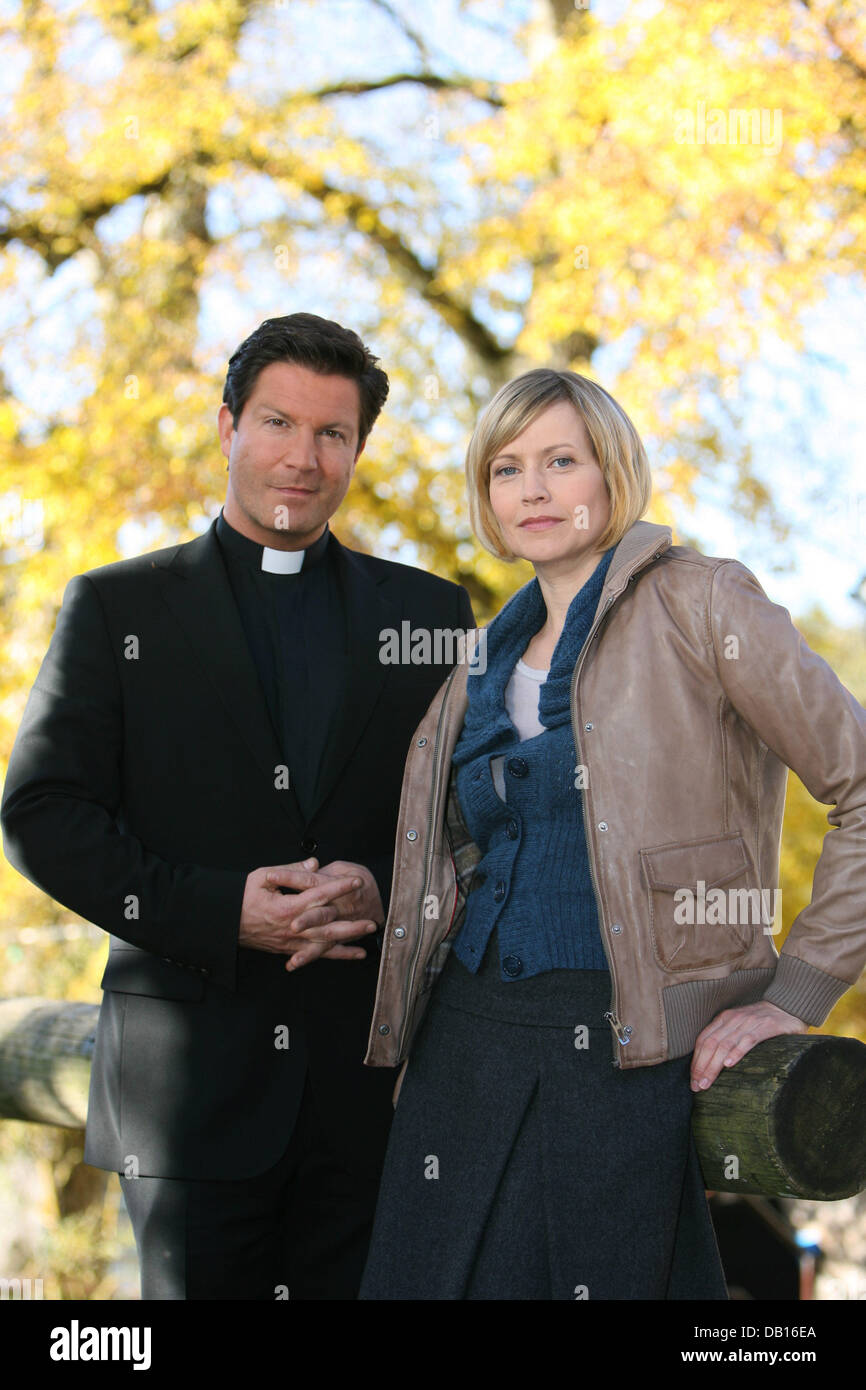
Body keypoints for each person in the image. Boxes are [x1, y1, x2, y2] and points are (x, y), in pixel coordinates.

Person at [358, 366, 866, 1301]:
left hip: (624, 1038)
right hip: (461, 1044)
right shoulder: (480, 658)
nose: (535, 490)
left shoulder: (703, 601)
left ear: (613, 473)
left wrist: (797, 994)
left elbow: (861, 786)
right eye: (506, 470)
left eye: (562, 460)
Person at [0, 312, 475, 1300]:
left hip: (373, 1094)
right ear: (226, 427)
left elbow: (476, 818)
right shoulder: (116, 609)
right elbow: (42, 811)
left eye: (331, 433)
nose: (301, 457)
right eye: (275, 423)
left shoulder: (429, 617)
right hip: (183, 1097)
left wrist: (386, 888)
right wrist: (223, 911)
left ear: (357, 448)